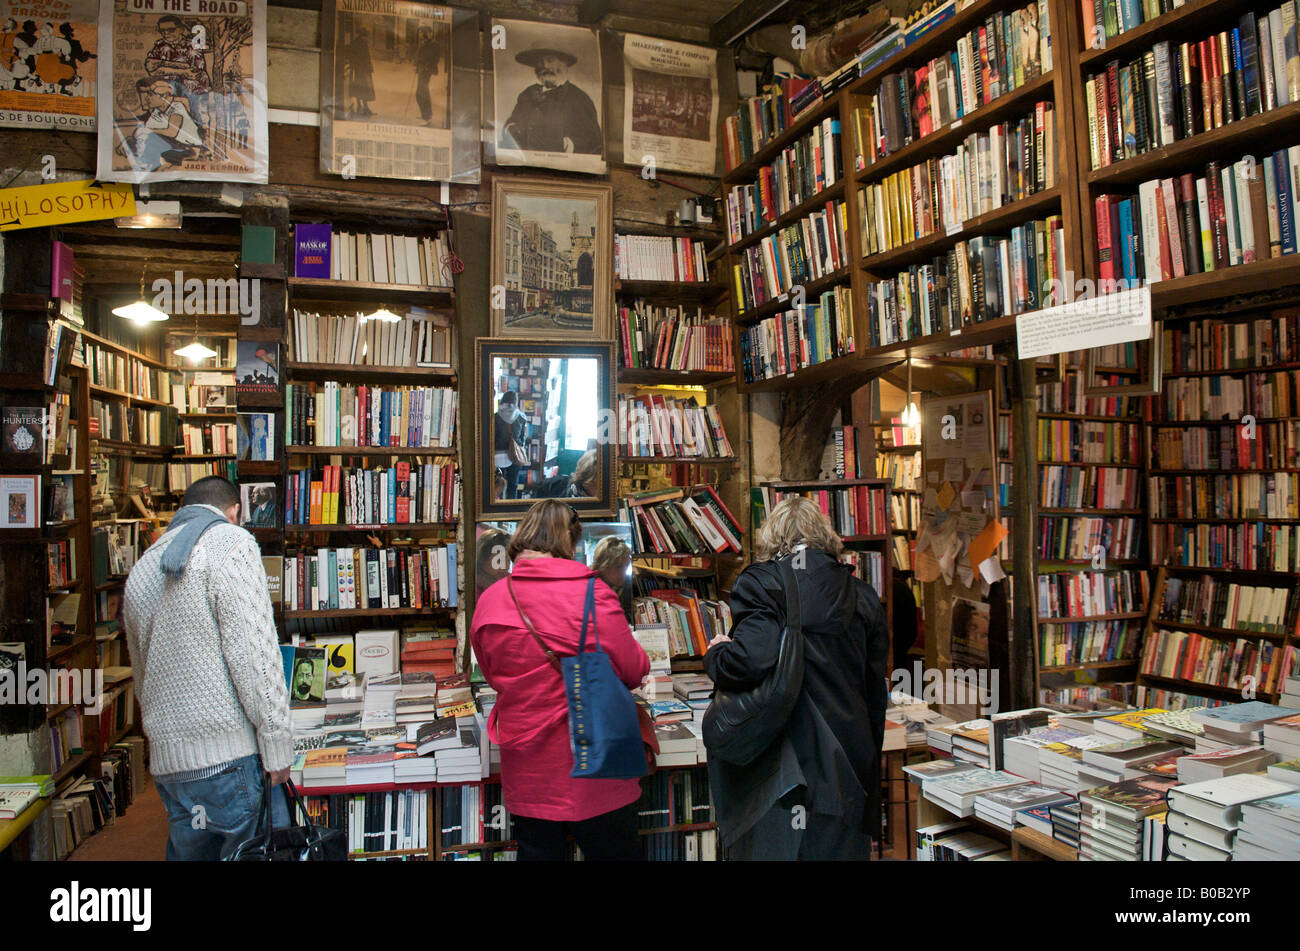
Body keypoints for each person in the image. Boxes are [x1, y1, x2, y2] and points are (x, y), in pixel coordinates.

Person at [704, 496, 889, 861]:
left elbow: (749, 662)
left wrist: (717, 652)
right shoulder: (864, 596)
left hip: (783, 772)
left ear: (774, 538)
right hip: (848, 774)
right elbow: (875, 694)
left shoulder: (763, 584)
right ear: (824, 536)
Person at [123, 476, 291, 860]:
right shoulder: (231, 544)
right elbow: (255, 656)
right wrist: (278, 744)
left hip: (171, 769)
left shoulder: (144, 566)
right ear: (235, 512)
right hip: (228, 760)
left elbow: (141, 676)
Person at [470, 500, 649, 861]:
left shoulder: (490, 602)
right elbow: (634, 670)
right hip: (599, 768)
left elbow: (492, 676)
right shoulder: (593, 593)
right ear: (568, 541)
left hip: (528, 772)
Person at [501, 42, 602, 154]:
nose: (544, 65)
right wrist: (510, 129)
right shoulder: (527, 94)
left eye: (550, 60)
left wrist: (568, 144)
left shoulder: (579, 98)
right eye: (539, 62)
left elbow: (594, 141)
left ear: (564, 64)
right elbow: (513, 122)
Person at [116, 78, 202, 171]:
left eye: (151, 94)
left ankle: (146, 163)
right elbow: (145, 129)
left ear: (164, 96)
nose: (147, 98)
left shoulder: (177, 107)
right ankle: (144, 163)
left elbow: (172, 132)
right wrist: (129, 140)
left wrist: (148, 131)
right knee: (144, 134)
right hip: (171, 145)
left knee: (149, 137)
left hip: (189, 148)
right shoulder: (157, 111)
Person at [590, 535, 634, 623]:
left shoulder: (626, 586)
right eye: (619, 567)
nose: (623, 573)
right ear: (604, 566)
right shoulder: (590, 589)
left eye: (626, 566)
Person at [493, 390, 527, 499]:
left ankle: (497, 504)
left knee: (497, 483)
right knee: (513, 484)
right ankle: (511, 506)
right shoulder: (521, 417)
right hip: (514, 454)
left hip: (497, 455)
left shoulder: (495, 417)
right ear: (515, 401)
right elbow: (522, 439)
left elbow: (492, 437)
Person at [413, 25, 442, 126]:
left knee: (421, 93)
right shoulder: (424, 43)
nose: (421, 34)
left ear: (428, 33)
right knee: (421, 92)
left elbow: (434, 58)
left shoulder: (433, 44)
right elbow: (419, 55)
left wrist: (426, 66)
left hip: (426, 70)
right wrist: (416, 65)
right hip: (422, 70)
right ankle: (425, 115)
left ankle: (427, 117)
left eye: (422, 32)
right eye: (420, 32)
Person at [344, 27, 375, 117]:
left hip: (357, 69)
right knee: (365, 88)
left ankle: (359, 106)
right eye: (366, 36)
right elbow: (367, 57)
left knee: (358, 87)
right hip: (364, 69)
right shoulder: (363, 43)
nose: (367, 38)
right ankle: (365, 107)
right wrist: (370, 66)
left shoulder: (354, 42)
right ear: (364, 35)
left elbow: (351, 55)